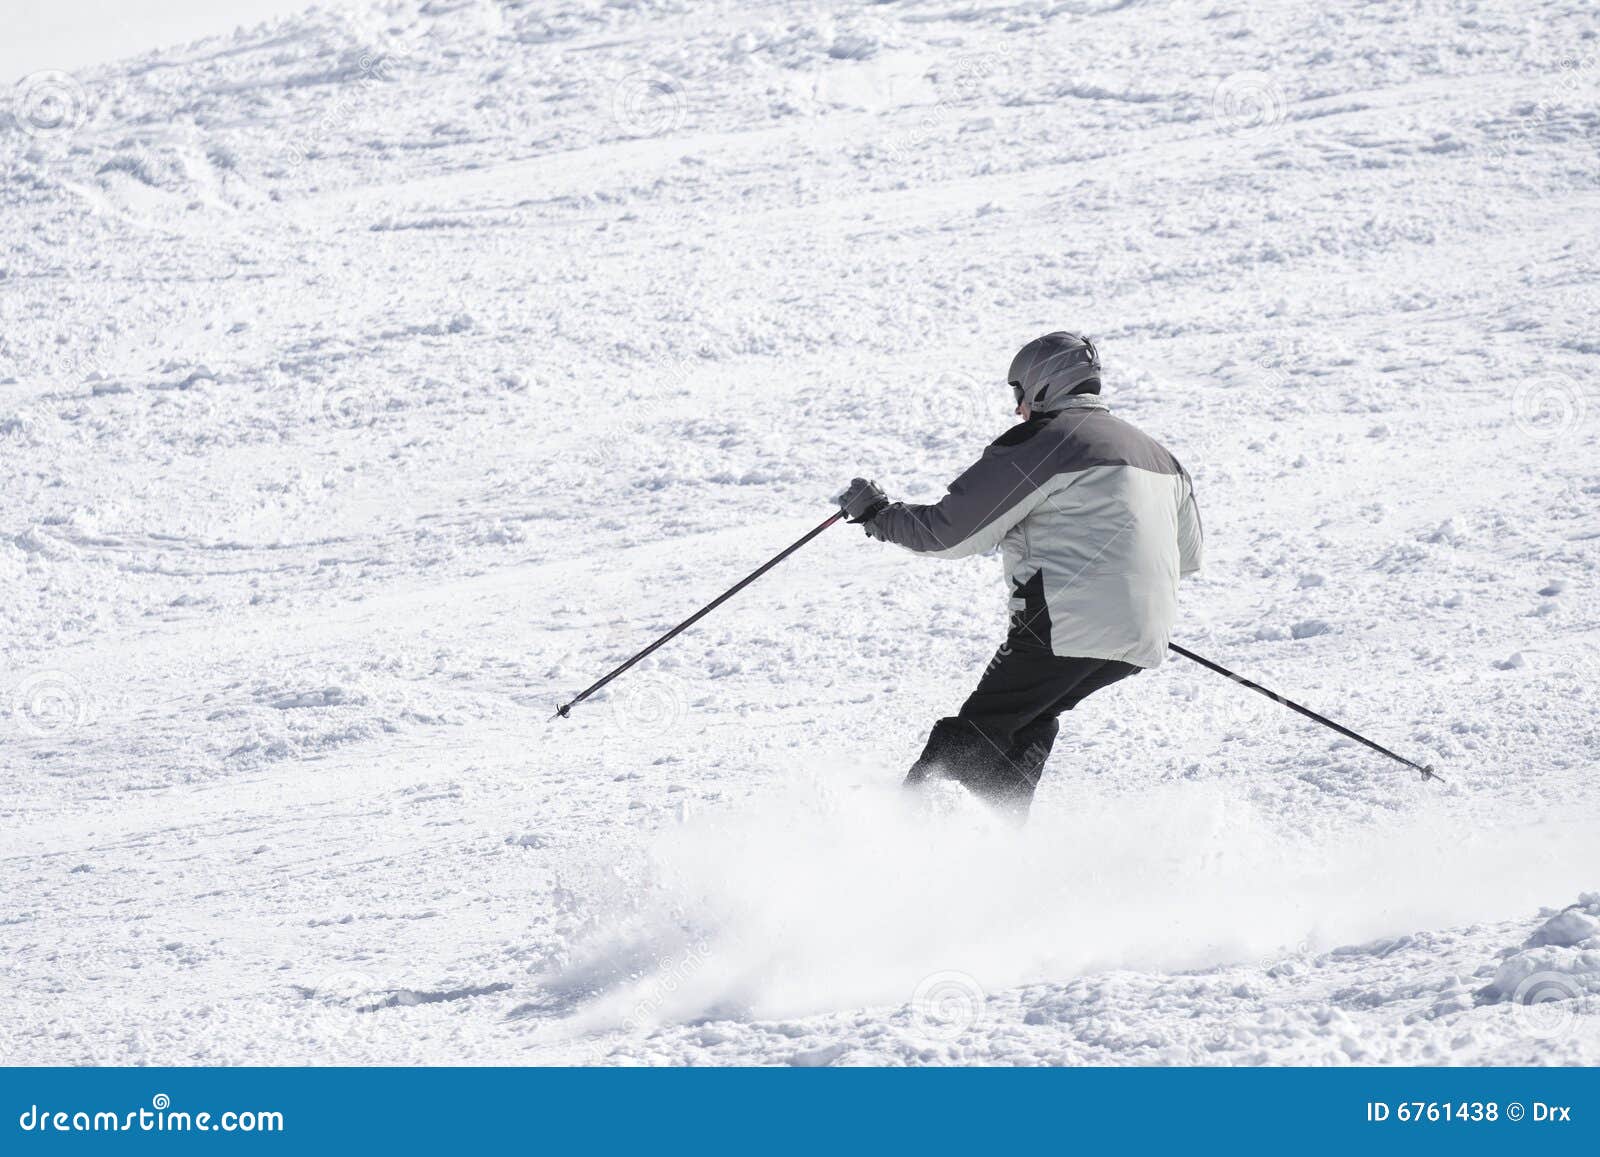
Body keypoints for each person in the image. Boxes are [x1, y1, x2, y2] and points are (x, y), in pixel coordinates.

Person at [836, 332, 1203, 819]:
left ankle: (903, 835)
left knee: (978, 729)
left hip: (1062, 626)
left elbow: (949, 533)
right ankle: (1000, 843)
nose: (1018, 408)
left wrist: (878, 515)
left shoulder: (1045, 442)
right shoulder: (1162, 457)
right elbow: (1188, 557)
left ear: (1043, 384)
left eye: (1019, 392)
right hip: (1144, 635)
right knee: (1025, 720)